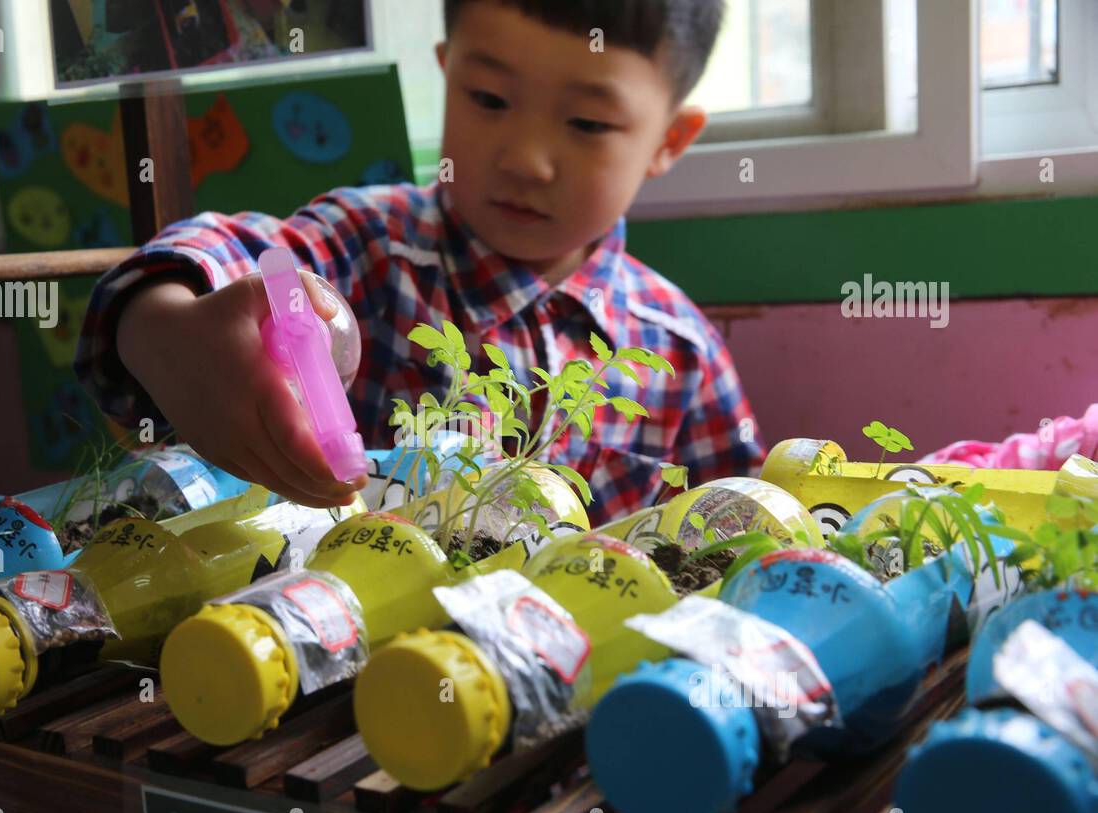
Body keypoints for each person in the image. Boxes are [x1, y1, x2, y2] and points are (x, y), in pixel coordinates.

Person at [75, 0, 766, 526]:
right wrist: (162, 322)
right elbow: (247, 254)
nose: (525, 158)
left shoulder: (681, 353)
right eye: (488, 99)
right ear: (446, 72)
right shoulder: (373, 245)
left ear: (668, 140)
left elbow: (737, 533)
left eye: (587, 123)